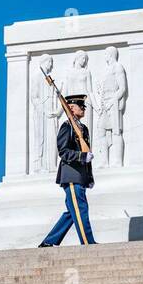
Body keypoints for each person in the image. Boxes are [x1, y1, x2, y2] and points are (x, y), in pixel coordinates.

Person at [39, 94, 96, 247]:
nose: (84, 108)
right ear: (71, 107)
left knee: (72, 212)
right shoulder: (67, 126)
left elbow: (87, 154)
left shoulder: (83, 129)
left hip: (80, 176)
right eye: (80, 105)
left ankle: (49, 242)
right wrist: (81, 156)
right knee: (81, 208)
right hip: (71, 175)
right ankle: (88, 242)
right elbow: (63, 152)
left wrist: (89, 177)